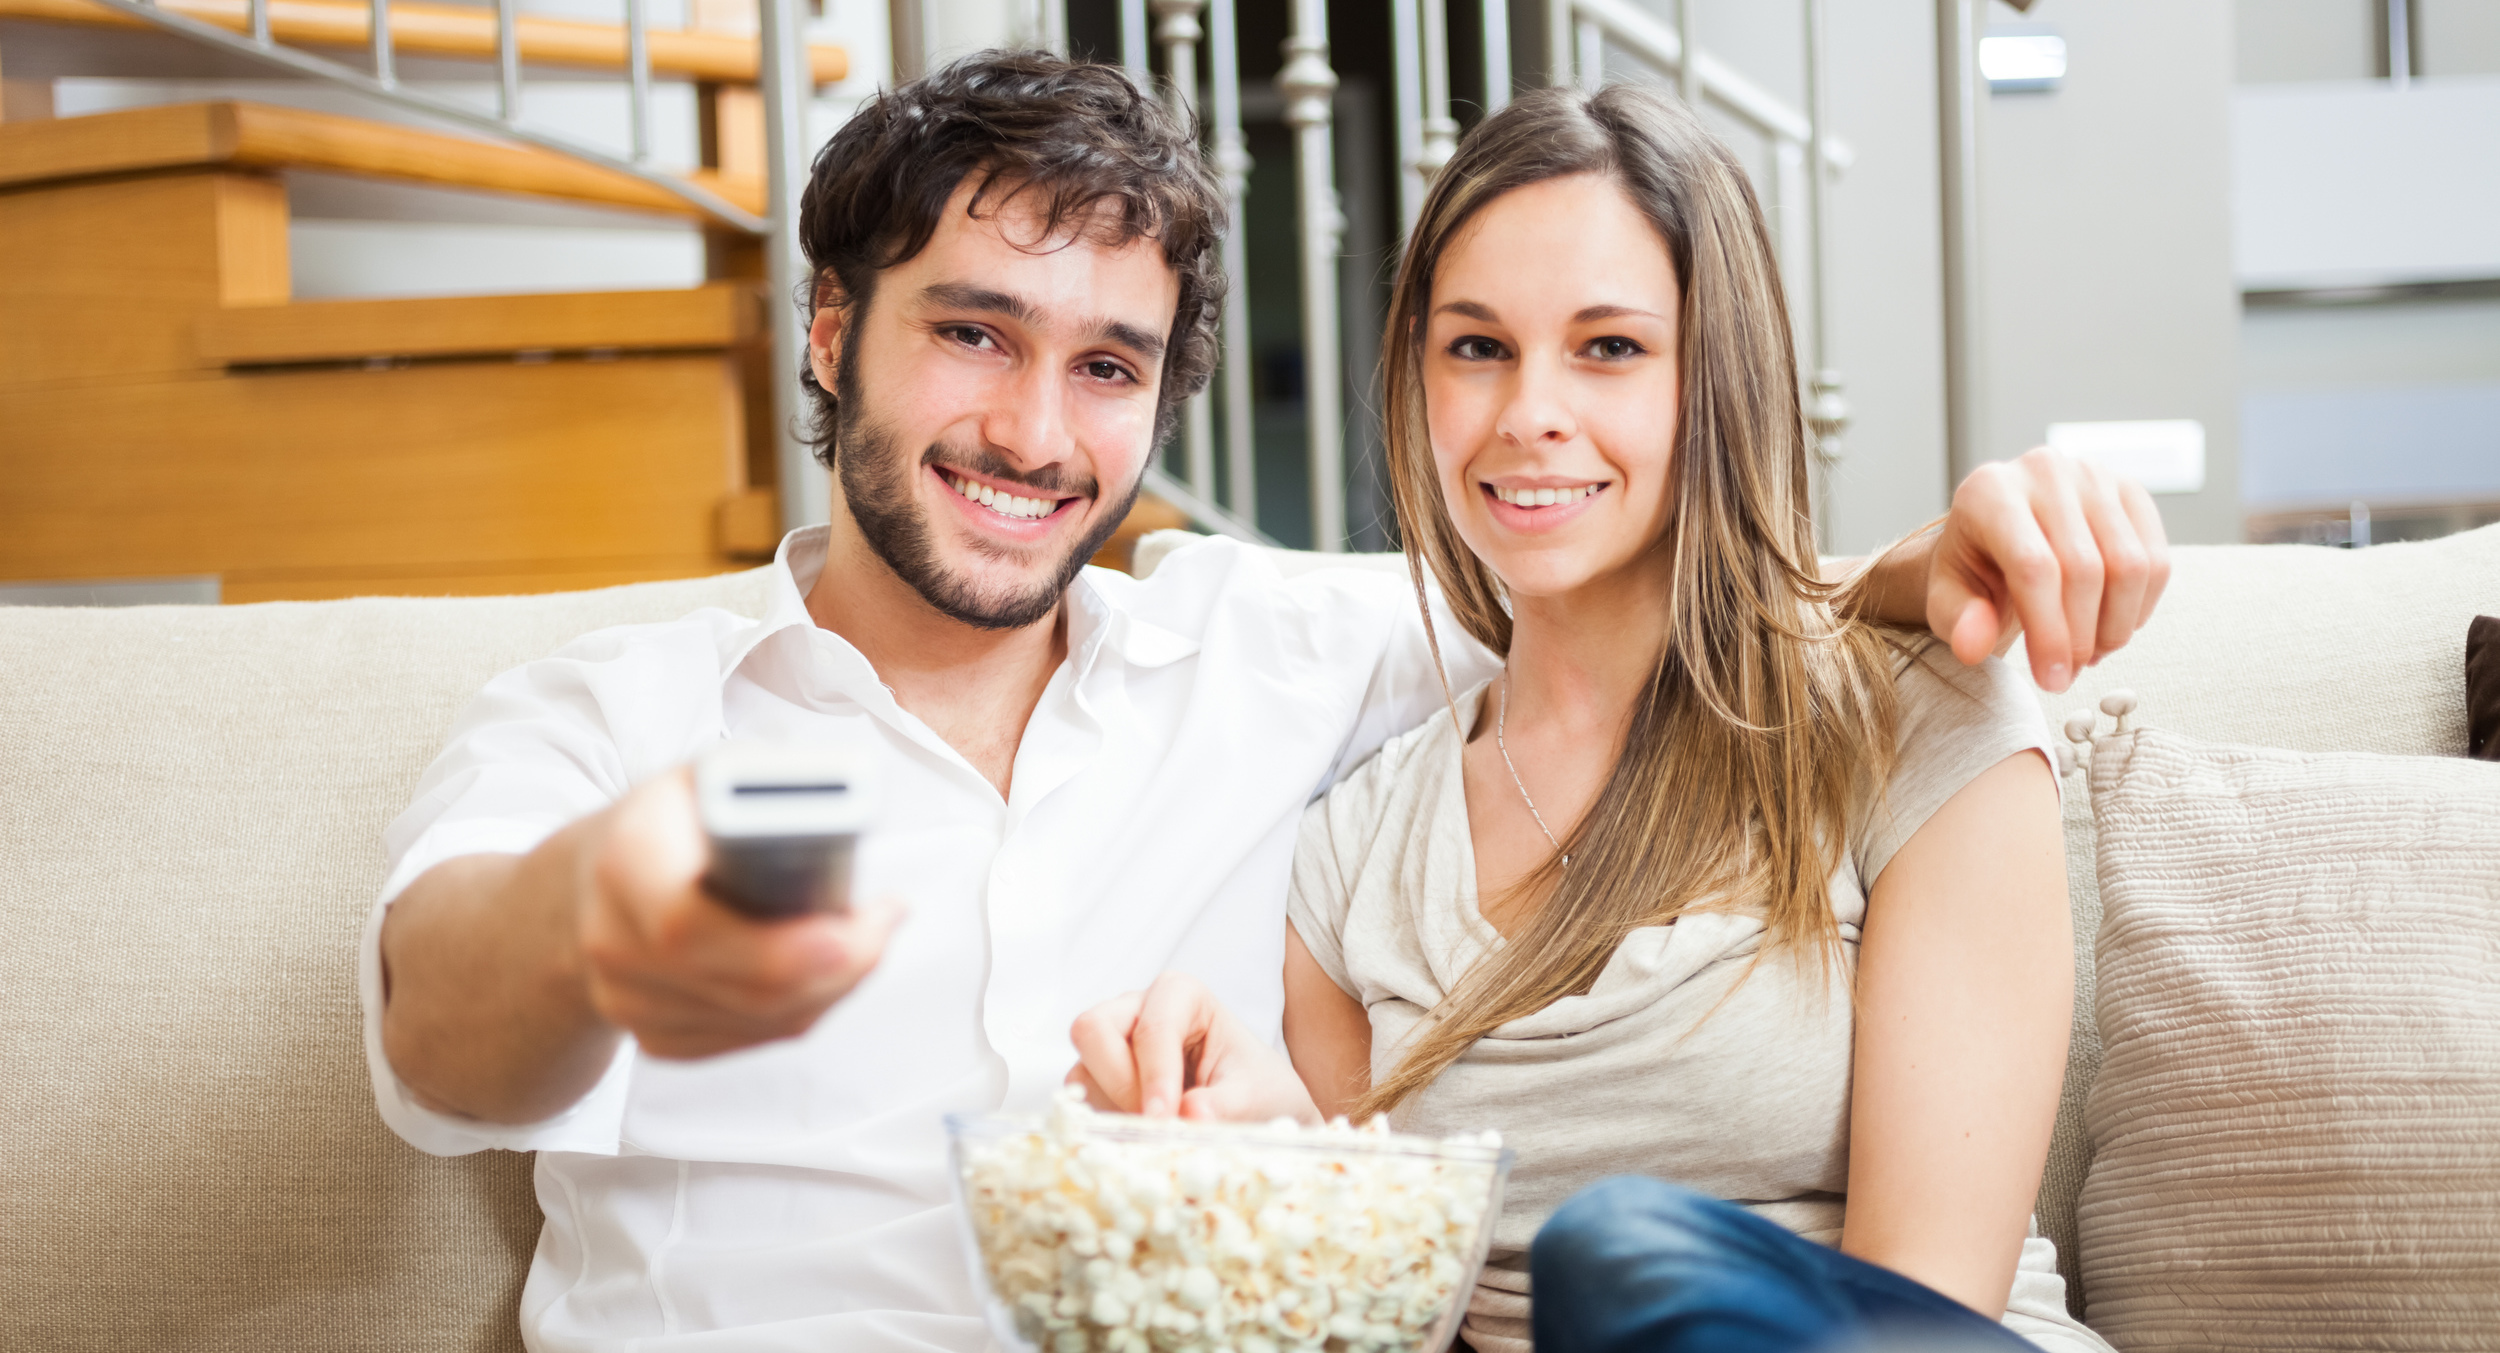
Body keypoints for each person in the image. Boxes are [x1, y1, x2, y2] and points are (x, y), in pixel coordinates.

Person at [366, 54, 2164, 1352]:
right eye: (973, 331)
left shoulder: (1278, 654)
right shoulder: (616, 711)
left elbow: (1620, 573)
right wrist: (595, 926)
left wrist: (1924, 573)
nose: (1033, 429)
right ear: (834, 330)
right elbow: (439, 1041)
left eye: (1107, 366)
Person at [1067, 84, 2116, 1353]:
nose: (1528, 414)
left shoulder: (1915, 715)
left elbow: (1926, 1301)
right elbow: (1395, 1318)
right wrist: (1265, 1152)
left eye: (1609, 347)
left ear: (1711, 379)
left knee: (1620, 1255)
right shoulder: (1349, 855)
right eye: (1477, 347)